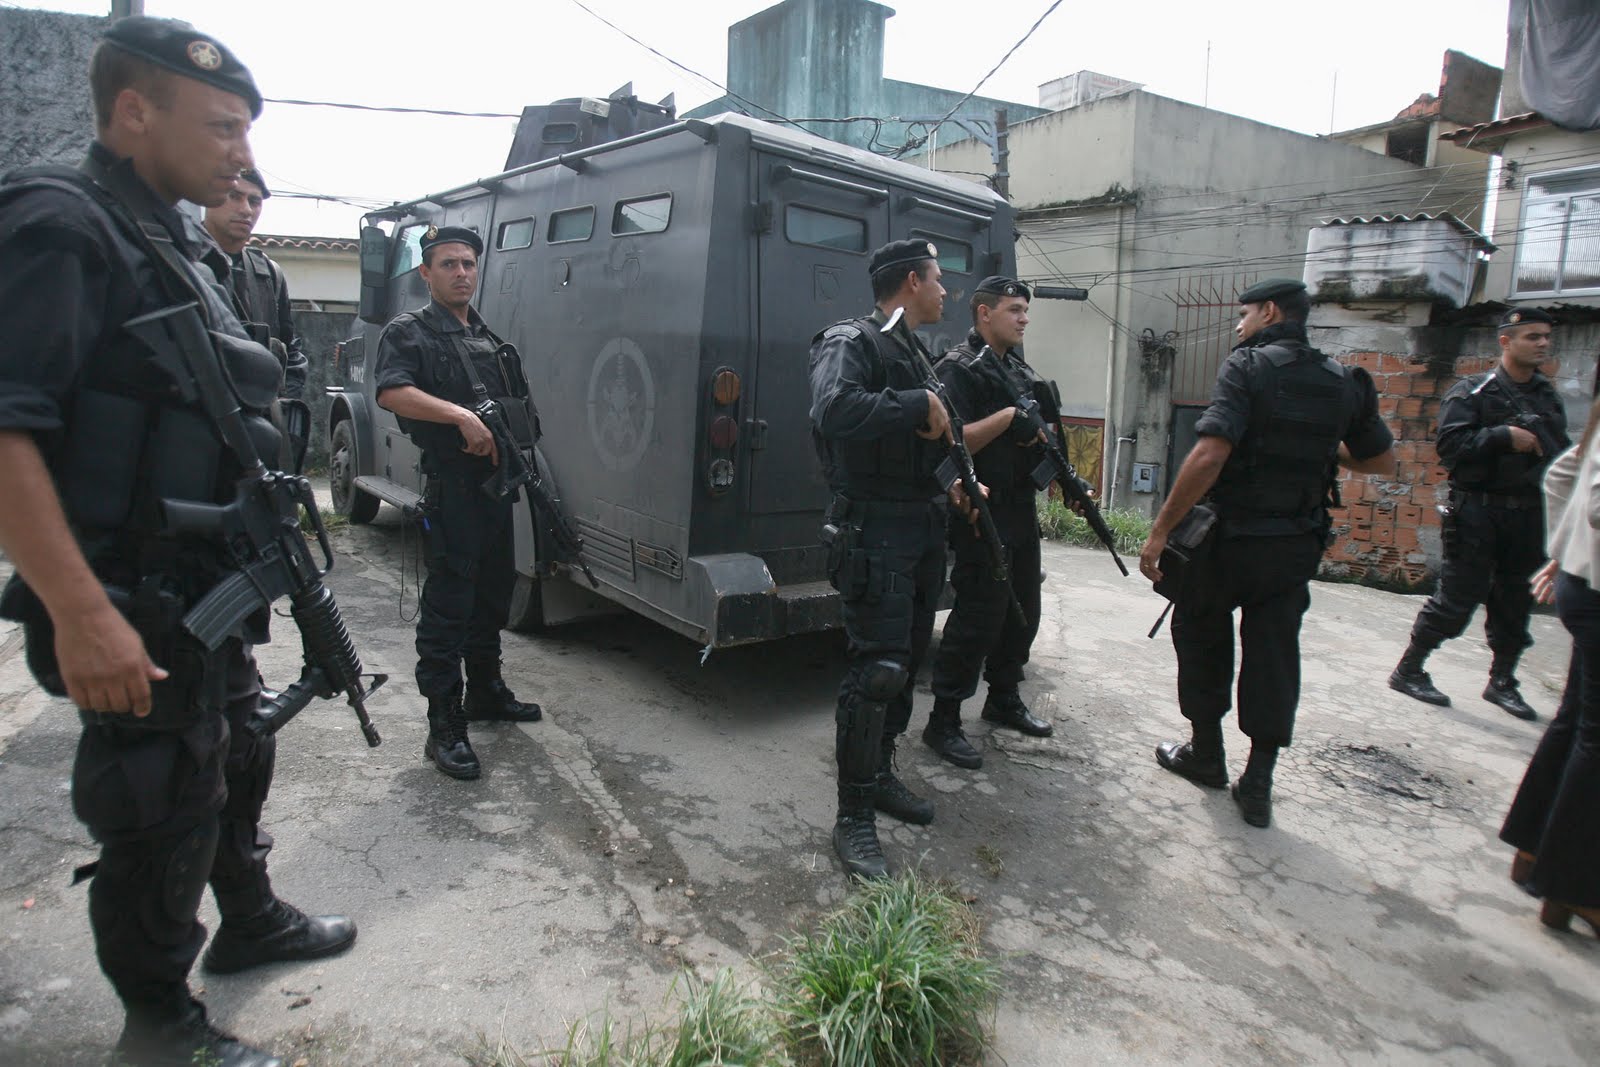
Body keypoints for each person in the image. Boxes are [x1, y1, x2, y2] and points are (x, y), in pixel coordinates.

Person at [0, 17, 356, 1067]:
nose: (242, 155)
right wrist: (79, 612)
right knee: (160, 802)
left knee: (236, 754)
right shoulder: (60, 220)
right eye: (221, 127)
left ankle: (250, 917)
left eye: (245, 130)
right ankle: (160, 1024)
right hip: (128, 593)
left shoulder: (176, 242)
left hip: (204, 583)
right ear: (133, 111)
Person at [1139, 278, 1395, 829]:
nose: (1238, 324)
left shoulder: (1248, 367)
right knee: (1275, 655)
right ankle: (1258, 785)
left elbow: (1210, 454)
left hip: (1229, 542)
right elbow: (1381, 460)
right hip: (1294, 544)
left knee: (1201, 635)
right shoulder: (1344, 380)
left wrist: (1161, 530)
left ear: (1270, 312)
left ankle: (1206, 755)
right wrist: (1322, 450)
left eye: (1245, 313)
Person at [809, 238, 973, 879]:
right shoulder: (850, 341)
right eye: (937, 279)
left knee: (903, 664)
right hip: (874, 528)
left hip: (920, 526)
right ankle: (853, 818)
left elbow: (923, 444)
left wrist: (954, 483)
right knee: (875, 670)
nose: (945, 291)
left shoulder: (914, 350)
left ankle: (879, 773)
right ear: (910, 282)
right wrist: (917, 404)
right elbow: (832, 409)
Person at [374, 224, 542, 782]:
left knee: (493, 595)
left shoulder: (488, 337)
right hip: (453, 490)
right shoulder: (410, 332)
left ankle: (486, 692)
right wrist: (460, 416)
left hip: (496, 488)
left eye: (468, 263)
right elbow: (391, 391)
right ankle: (444, 726)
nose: (461, 273)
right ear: (426, 273)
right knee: (449, 607)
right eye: (448, 264)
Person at [1389, 308, 1569, 721]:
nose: (1543, 343)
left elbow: (1559, 454)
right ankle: (1410, 669)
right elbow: (1450, 448)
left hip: (1528, 513)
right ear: (1506, 341)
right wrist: (1502, 436)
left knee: (1516, 600)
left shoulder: (1545, 395)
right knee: (1457, 597)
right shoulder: (1474, 392)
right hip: (1477, 511)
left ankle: (1502, 680)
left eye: (1546, 336)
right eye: (1532, 336)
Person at [923, 276, 1053, 770]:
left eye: (1025, 311)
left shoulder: (1016, 369)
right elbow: (949, 441)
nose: (1024, 319)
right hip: (980, 510)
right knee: (979, 615)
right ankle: (944, 720)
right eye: (1014, 310)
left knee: (1024, 610)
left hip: (1020, 507)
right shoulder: (959, 369)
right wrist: (1005, 419)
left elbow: (1036, 435)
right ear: (984, 313)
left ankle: (1003, 696)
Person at [1498, 398, 1600, 940]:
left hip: (1587, 580)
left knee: (1577, 723)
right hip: (1593, 588)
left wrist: (1566, 550)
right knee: (1593, 737)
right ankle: (1574, 887)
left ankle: (1535, 850)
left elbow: (1565, 472)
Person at [201, 167, 310, 470]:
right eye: (234, 196)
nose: (246, 209)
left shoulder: (268, 273)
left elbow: (291, 349)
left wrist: (279, 402)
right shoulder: (181, 259)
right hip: (200, 427)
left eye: (254, 201)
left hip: (259, 426)